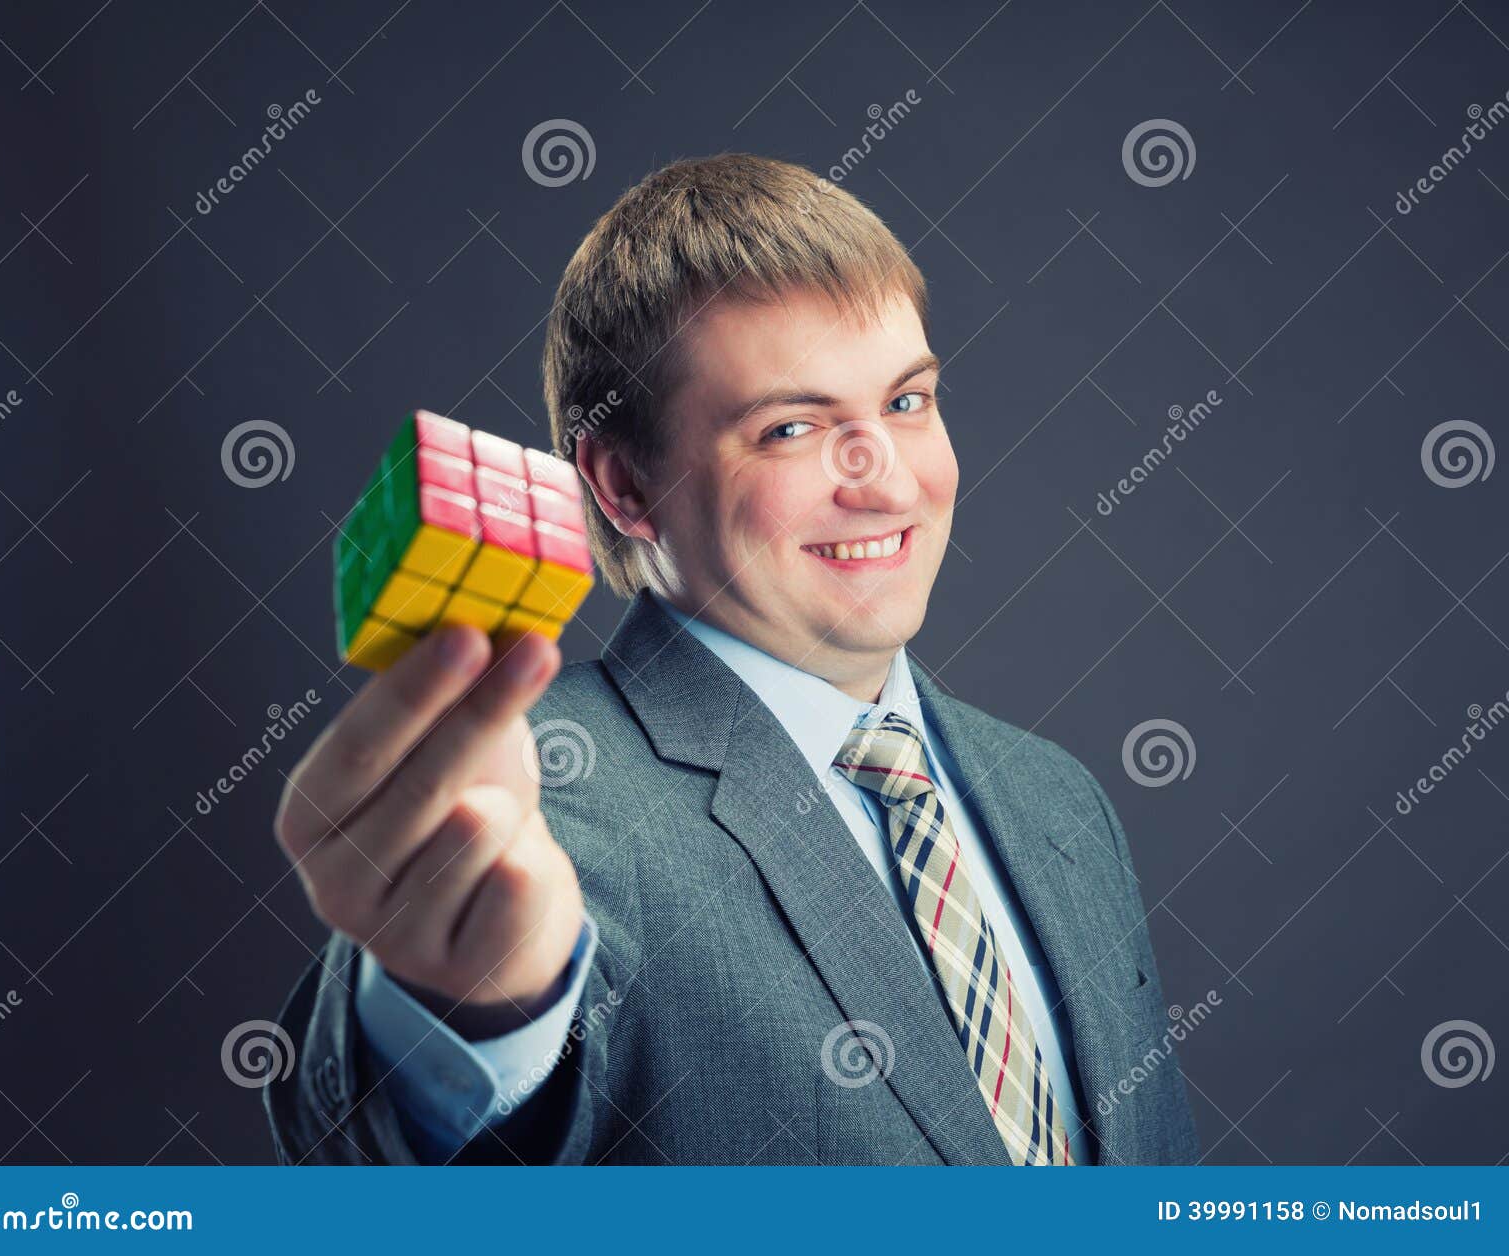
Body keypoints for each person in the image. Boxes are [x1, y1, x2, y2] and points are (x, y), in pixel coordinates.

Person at [264, 153, 1200, 1166]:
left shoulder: (1059, 803)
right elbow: (377, 1159)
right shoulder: (537, 801)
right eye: (790, 427)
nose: (887, 484)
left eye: (905, 402)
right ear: (624, 485)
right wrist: (473, 1010)